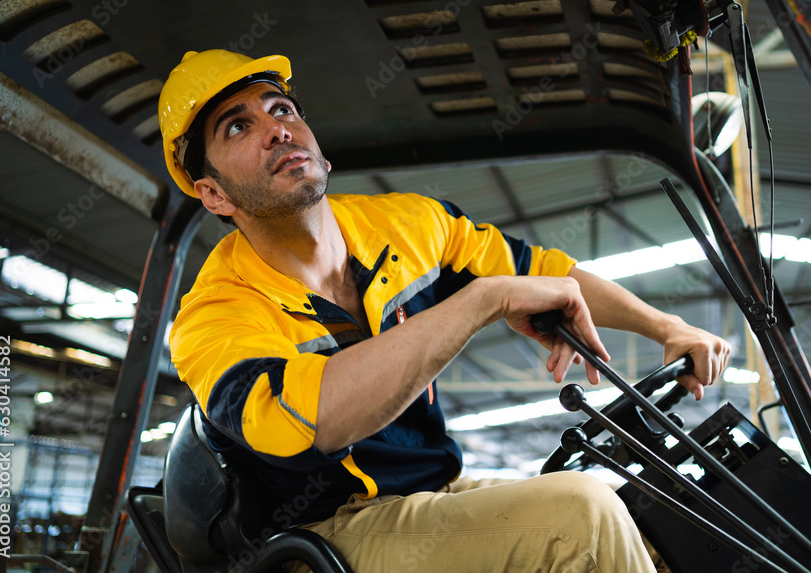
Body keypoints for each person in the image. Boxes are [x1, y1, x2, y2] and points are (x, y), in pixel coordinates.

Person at [158, 49, 732, 572]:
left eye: (280, 107)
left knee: (639, 514)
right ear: (214, 194)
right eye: (239, 126)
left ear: (318, 148)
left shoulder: (408, 225)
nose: (276, 129)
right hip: (317, 537)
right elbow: (314, 421)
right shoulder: (214, 316)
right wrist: (485, 298)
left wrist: (667, 327)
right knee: (581, 519)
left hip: (427, 498)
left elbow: (545, 272)